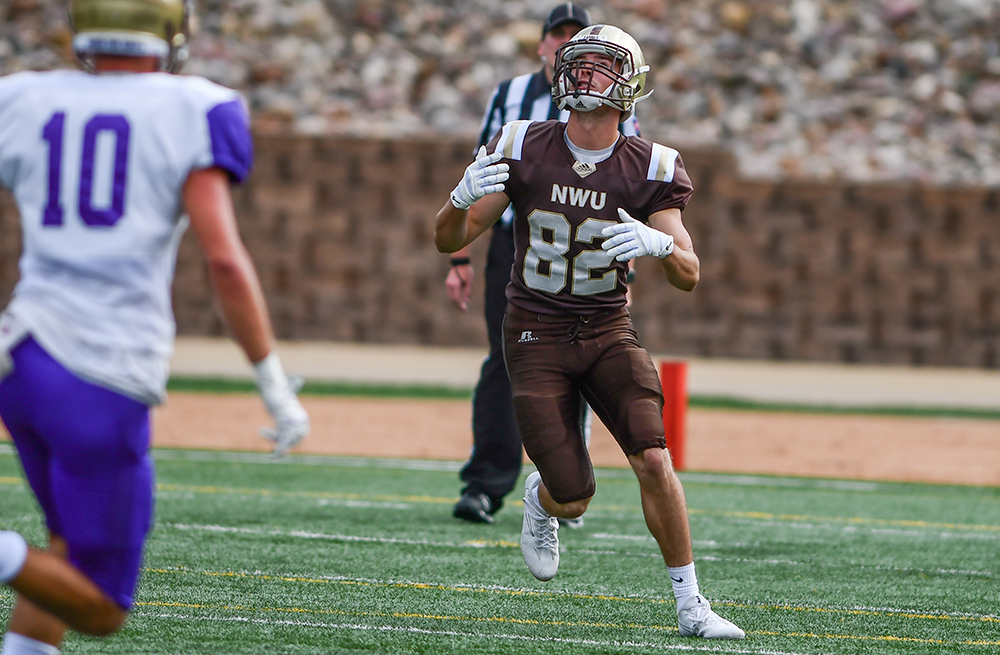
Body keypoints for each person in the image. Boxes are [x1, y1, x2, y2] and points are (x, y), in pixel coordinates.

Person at [0, 0, 310, 651]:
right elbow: (224, 259)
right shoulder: (194, 107)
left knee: (64, 548)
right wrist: (274, 384)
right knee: (104, 604)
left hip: (22, 361)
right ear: (169, 33)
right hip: (102, 373)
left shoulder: (22, 96)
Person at [435, 24, 745, 639]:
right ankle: (542, 500)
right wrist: (457, 196)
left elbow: (689, 275)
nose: (586, 77)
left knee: (654, 459)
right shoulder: (522, 142)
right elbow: (450, 237)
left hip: (607, 327)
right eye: (578, 64)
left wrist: (663, 246)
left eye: (603, 67)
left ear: (630, 85)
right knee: (573, 496)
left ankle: (691, 605)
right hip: (535, 331)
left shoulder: (654, 165)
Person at [449, 3, 639, 527]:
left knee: (578, 359)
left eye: (579, 38)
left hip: (587, 244)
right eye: (559, 35)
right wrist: (461, 253)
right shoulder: (510, 96)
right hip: (515, 242)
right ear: (542, 44)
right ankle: (486, 483)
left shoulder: (616, 98)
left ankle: (562, 482)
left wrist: (631, 262)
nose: (567, 45)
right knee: (502, 359)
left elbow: (629, 174)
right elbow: (479, 173)